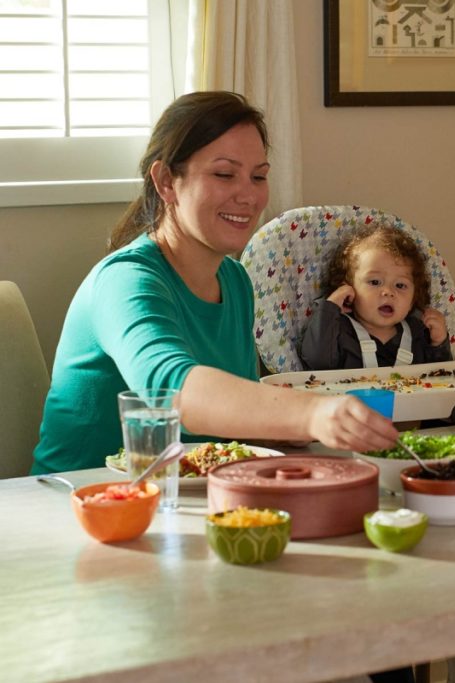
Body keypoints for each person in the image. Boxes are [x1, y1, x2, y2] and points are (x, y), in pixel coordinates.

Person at [31, 91, 399, 476]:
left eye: (259, 176)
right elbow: (174, 394)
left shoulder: (235, 280)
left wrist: (278, 430)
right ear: (166, 182)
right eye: (224, 174)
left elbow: (224, 424)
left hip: (186, 498)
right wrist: (312, 412)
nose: (249, 195)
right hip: (80, 504)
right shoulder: (124, 281)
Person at [298, 222, 452, 370]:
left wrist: (438, 343)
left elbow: (441, 376)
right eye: (375, 282)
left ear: (414, 297)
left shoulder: (419, 331)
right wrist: (330, 307)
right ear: (348, 288)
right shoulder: (337, 329)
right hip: (350, 397)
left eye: (400, 285)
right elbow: (316, 361)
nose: (388, 292)